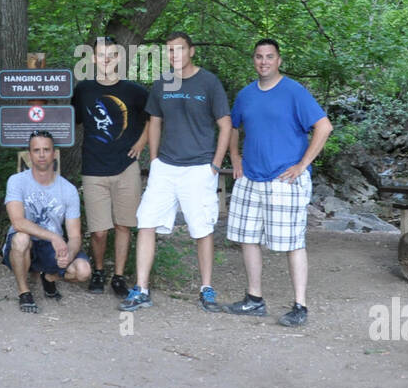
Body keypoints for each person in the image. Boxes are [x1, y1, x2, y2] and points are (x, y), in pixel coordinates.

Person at [120, 32, 231, 312]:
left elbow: (226, 125)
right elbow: (154, 122)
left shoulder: (209, 82)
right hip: (166, 167)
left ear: (191, 51)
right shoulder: (163, 83)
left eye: (179, 50)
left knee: (202, 228)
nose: (174, 55)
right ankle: (141, 289)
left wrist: (215, 164)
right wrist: (155, 159)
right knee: (145, 221)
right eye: (169, 51)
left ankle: (206, 289)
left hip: (199, 167)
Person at [224, 39, 332, 327]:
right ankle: (254, 299)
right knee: (247, 238)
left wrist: (302, 165)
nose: (264, 62)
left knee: (292, 242)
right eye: (259, 57)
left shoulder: (294, 91)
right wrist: (234, 157)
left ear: (279, 60)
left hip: (285, 178)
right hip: (250, 177)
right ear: (253, 60)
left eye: (270, 57)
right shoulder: (246, 95)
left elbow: (324, 126)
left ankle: (300, 305)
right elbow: (233, 127)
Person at [72, 36, 148, 296]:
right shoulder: (83, 89)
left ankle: (118, 276)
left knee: (124, 226)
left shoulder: (134, 91)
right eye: (101, 55)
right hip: (94, 167)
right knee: (99, 230)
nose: (106, 60)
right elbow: (72, 120)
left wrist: (141, 143)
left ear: (119, 58)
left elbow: (154, 118)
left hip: (126, 166)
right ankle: (98, 270)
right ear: (93, 58)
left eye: (112, 55)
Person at [1, 131, 92, 313]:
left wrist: (69, 254)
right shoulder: (17, 181)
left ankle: (49, 277)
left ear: (54, 153)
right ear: (29, 154)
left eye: (46, 150)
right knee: (21, 238)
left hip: (51, 248)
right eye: (36, 150)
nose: (41, 155)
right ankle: (24, 291)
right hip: (25, 244)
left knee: (83, 271)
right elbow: (18, 222)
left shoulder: (68, 189)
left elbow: (74, 236)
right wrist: (54, 237)